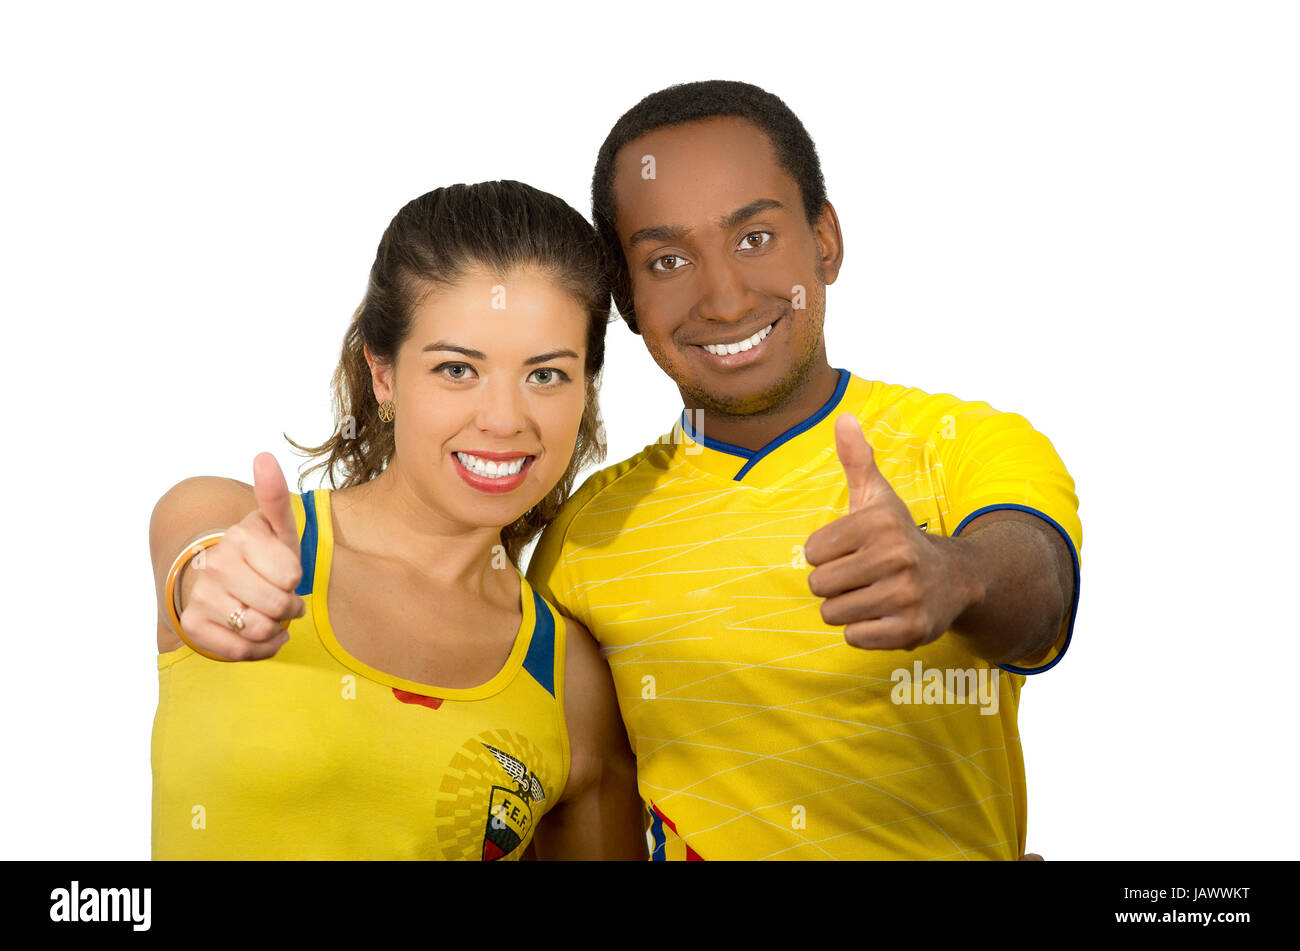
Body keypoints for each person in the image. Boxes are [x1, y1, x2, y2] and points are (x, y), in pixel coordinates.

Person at [526, 81, 1082, 860]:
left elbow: (1042, 596)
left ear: (825, 240)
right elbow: (571, 798)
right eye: (668, 258)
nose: (722, 298)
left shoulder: (963, 443)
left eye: (754, 238)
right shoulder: (583, 537)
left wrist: (953, 573)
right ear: (624, 295)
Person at [148, 181, 647, 860]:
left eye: (546, 375)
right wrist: (208, 575)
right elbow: (197, 561)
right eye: (455, 368)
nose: (503, 419)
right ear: (382, 374)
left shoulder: (569, 677)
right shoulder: (232, 526)